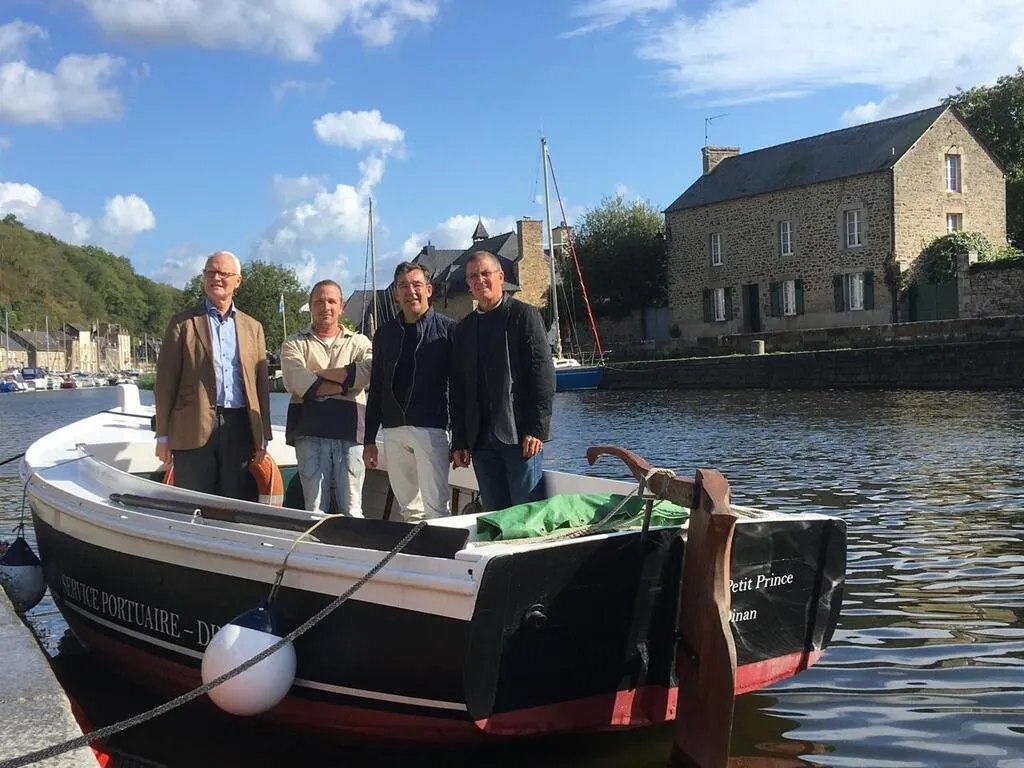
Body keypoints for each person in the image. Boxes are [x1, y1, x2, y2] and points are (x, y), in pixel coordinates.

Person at [154, 251, 272, 500]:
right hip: (192, 428)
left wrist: (263, 436)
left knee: (235, 503)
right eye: (210, 272)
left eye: (223, 273)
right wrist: (163, 436)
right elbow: (165, 384)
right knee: (194, 504)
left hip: (239, 427)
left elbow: (260, 388)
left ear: (237, 281)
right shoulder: (182, 323)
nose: (216, 278)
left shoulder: (253, 328)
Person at [450, 251, 555, 511]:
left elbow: (542, 376)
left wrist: (537, 429)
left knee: (525, 514)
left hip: (519, 436)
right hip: (481, 441)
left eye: (486, 273)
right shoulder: (463, 329)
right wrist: (460, 440)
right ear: (468, 283)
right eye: (473, 276)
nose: (480, 280)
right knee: (495, 515)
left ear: (501, 276)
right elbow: (459, 389)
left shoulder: (524, 316)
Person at [363, 262, 456, 521]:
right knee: (408, 509)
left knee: (436, 506)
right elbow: (378, 387)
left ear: (428, 289)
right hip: (393, 430)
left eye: (416, 285)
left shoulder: (448, 330)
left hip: (432, 427)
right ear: (395, 293)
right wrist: (369, 439)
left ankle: (442, 559)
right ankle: (416, 557)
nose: (410, 292)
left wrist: (461, 438)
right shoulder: (384, 334)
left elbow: (459, 388)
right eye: (403, 286)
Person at [281, 280, 372, 516]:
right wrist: (347, 381)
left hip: (350, 431)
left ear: (341, 307)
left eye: (331, 301)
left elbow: (369, 372)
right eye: (319, 301)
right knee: (314, 509)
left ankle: (352, 551)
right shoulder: (293, 343)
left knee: (352, 508)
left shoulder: (359, 342)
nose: (326, 306)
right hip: (309, 432)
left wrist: (318, 377)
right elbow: (296, 381)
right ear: (310, 306)